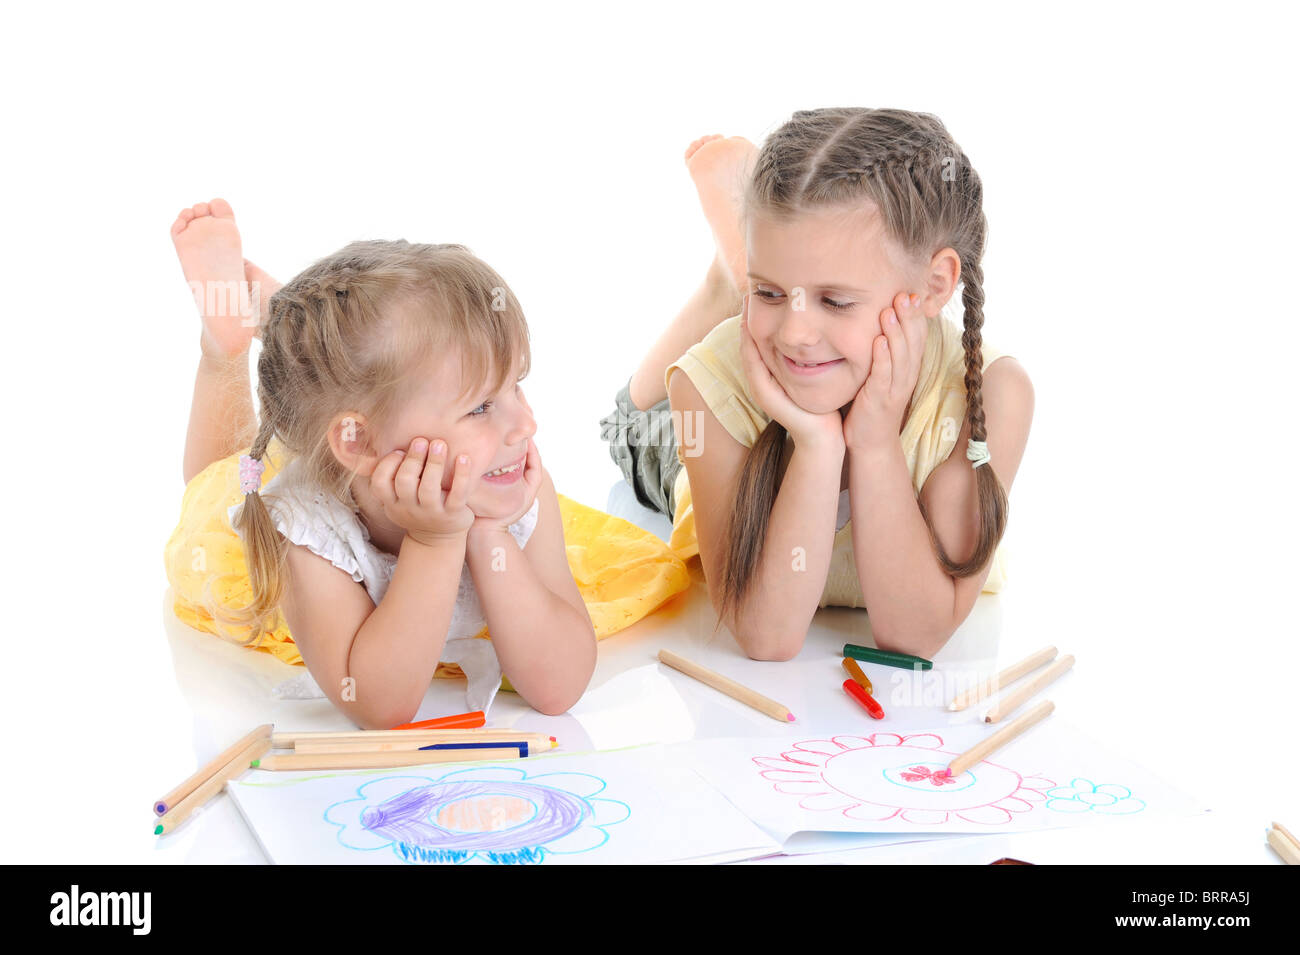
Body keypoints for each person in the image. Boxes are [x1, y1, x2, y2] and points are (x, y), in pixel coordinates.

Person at [602, 109, 1035, 662]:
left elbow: (915, 637)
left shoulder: (990, 399)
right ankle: (730, 282)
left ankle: (738, 274)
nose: (797, 332)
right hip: (681, 421)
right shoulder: (708, 387)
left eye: (835, 300)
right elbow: (765, 636)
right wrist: (816, 441)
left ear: (934, 285)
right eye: (771, 292)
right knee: (631, 425)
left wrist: (875, 443)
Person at [165, 199, 597, 728]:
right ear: (362, 443)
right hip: (320, 489)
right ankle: (225, 347)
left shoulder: (511, 489)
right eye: (480, 406)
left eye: (516, 388)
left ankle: (293, 332)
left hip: (356, 440)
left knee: (351, 392)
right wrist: (434, 542)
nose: (525, 425)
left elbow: (560, 687)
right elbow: (377, 705)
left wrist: (487, 536)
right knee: (217, 478)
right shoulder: (308, 530)